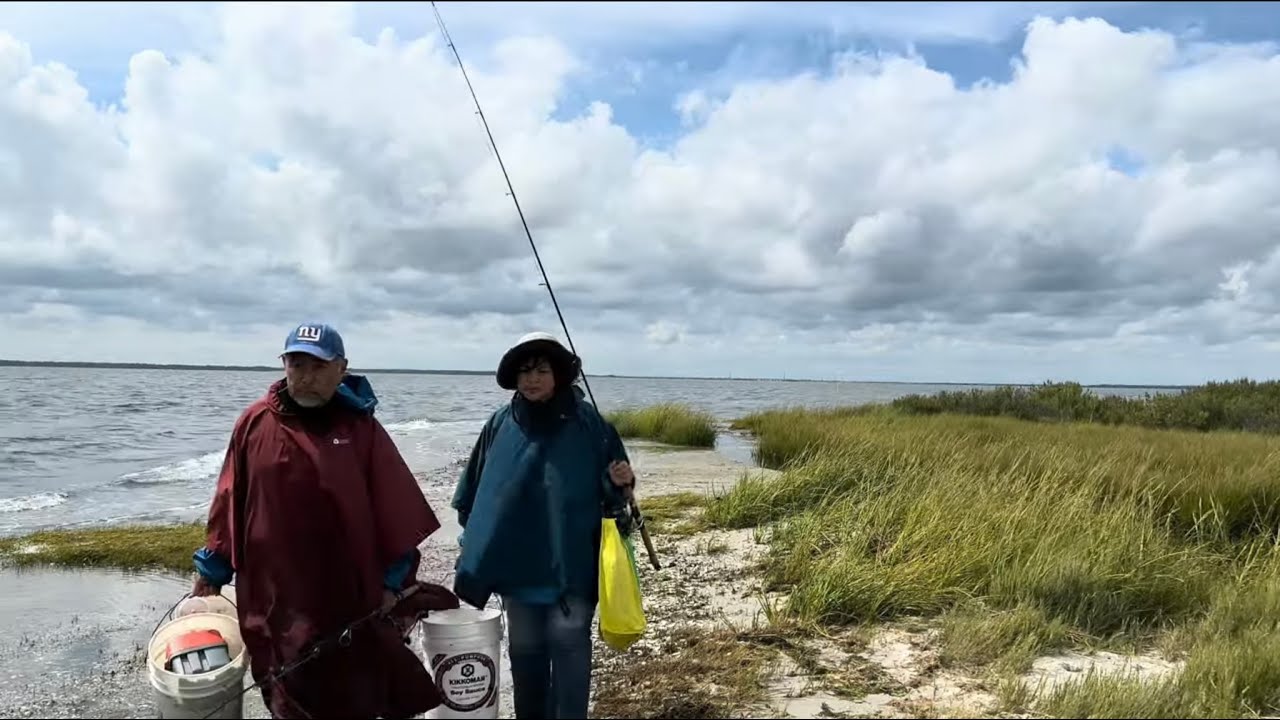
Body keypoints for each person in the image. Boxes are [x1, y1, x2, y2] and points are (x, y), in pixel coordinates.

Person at [190, 322, 458, 719]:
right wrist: (212, 569)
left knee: (351, 691)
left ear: (341, 369)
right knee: (285, 692)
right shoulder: (254, 423)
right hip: (273, 596)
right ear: (284, 366)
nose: (306, 377)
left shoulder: (360, 428)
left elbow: (394, 507)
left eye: (318, 367)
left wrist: (393, 580)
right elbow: (229, 498)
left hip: (346, 595)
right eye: (297, 365)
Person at [451, 331, 638, 720]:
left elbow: (616, 499)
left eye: (541, 370)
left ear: (559, 375)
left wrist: (621, 482)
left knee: (569, 644)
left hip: (572, 562)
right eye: (524, 372)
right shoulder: (499, 423)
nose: (531, 379)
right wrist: (474, 545)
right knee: (525, 652)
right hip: (518, 566)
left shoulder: (591, 424)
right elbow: (474, 493)